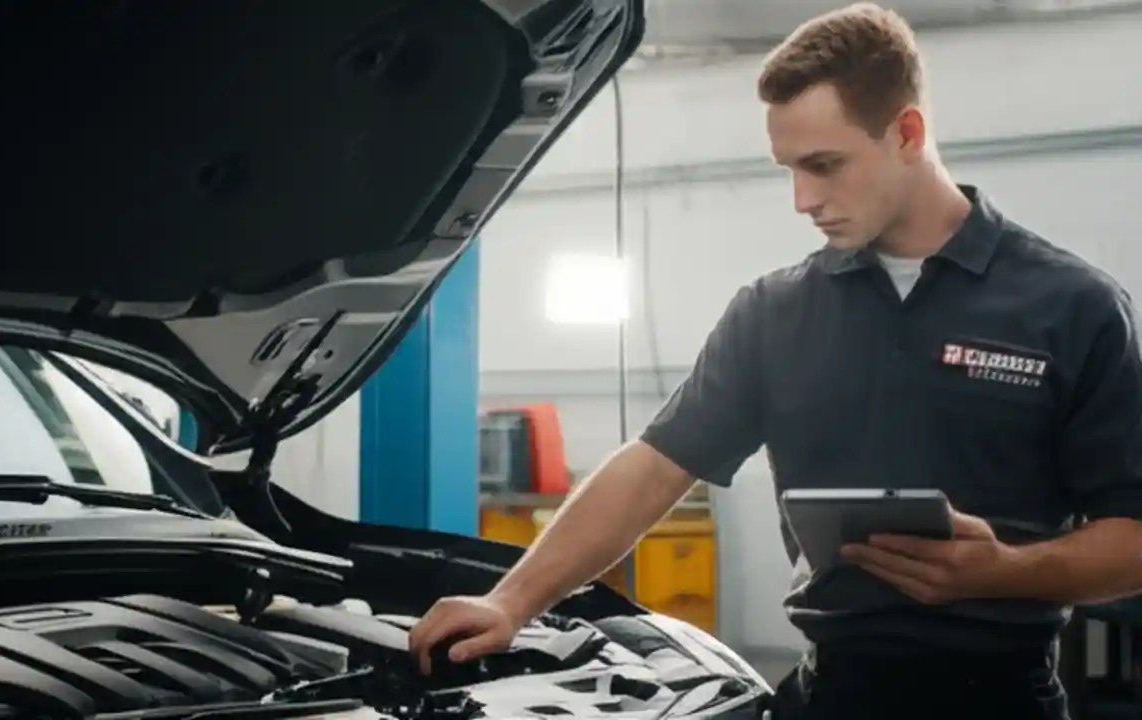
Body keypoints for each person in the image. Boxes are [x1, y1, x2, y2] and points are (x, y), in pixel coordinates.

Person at [409, 3, 1142, 718]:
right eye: (790, 168)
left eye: (825, 165)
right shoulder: (776, 311)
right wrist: (510, 600)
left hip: (1003, 697)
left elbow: (1133, 539)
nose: (802, 199)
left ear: (907, 133)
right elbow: (656, 465)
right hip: (830, 694)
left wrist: (1007, 571)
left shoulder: (1072, 307)